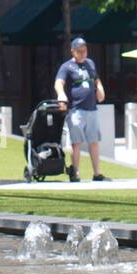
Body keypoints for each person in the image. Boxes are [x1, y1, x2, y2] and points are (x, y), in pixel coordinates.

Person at [54, 37, 109, 182]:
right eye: (80, 51)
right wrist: (61, 94)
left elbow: (95, 79)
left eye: (85, 51)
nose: (83, 54)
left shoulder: (90, 63)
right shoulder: (67, 67)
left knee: (94, 140)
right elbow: (59, 83)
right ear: (73, 52)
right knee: (76, 142)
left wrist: (100, 88)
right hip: (76, 109)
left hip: (92, 109)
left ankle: (97, 173)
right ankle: (76, 172)